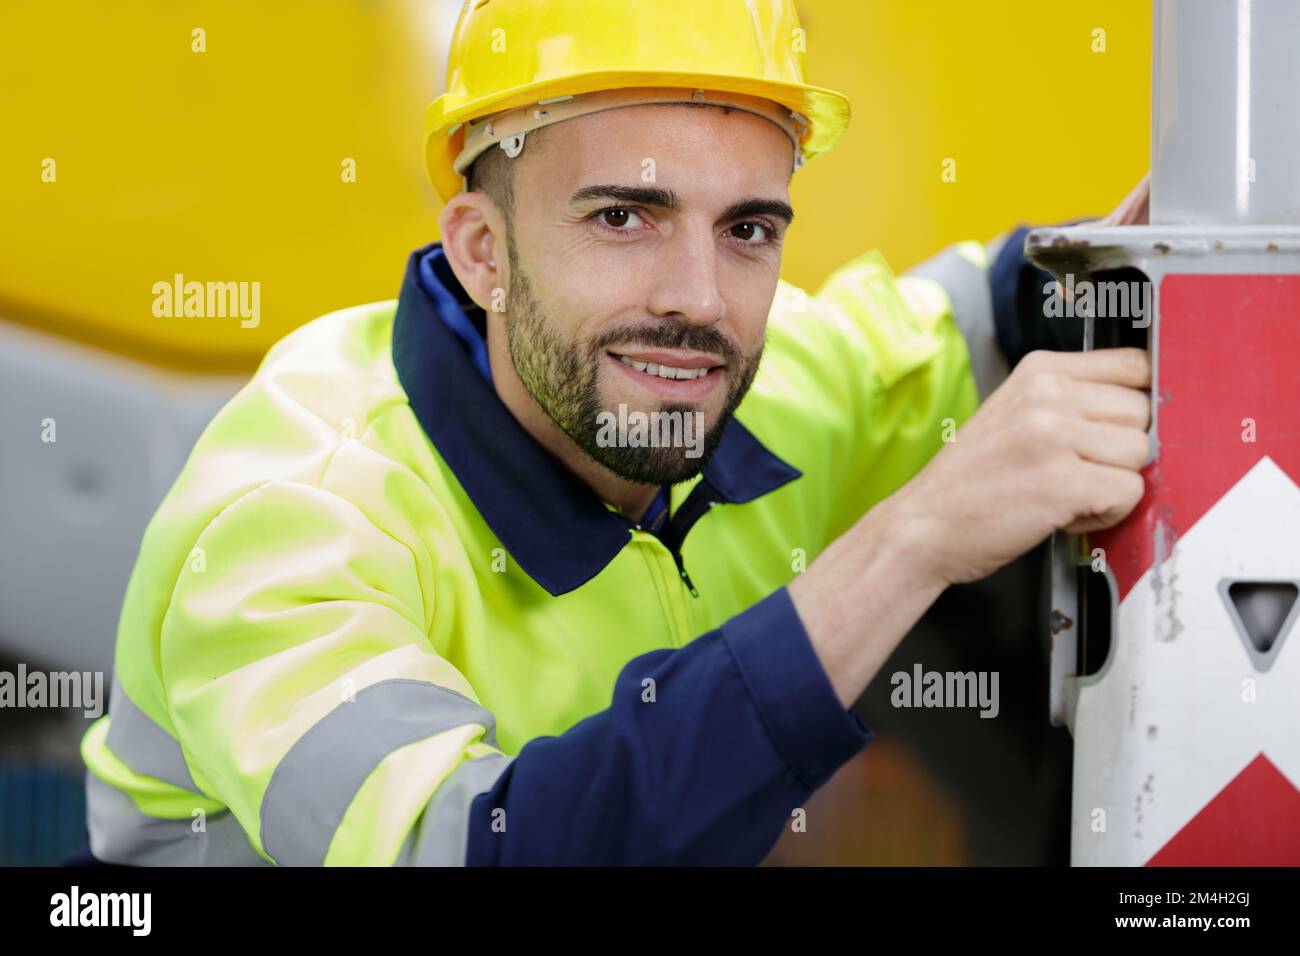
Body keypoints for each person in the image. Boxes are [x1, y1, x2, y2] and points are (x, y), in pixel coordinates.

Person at [82, 0, 1151, 865]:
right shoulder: (292, 517)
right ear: (483, 251)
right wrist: (912, 537)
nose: (697, 300)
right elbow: (486, 849)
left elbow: (966, 313)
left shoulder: (758, 392)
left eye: (746, 229)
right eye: (621, 217)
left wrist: (1168, 252)